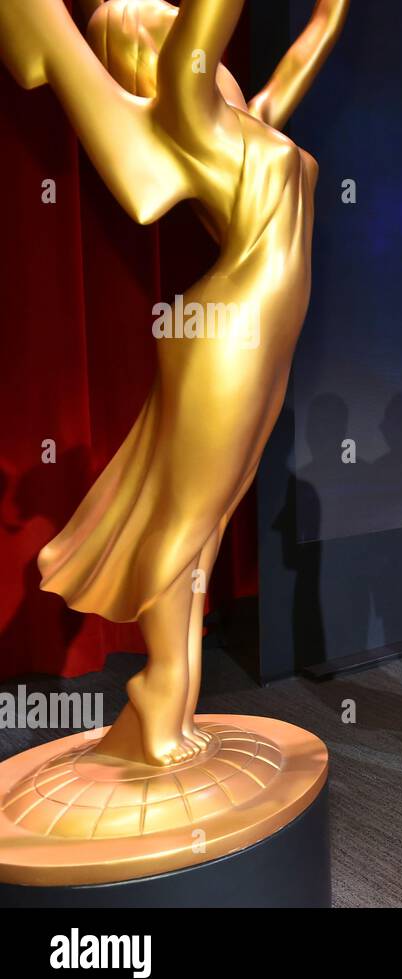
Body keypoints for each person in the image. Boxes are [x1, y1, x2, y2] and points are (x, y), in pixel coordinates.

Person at [0, 0, 349, 766]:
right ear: (155, 49)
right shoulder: (190, 113)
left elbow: (312, 42)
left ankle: (172, 699)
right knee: (185, 520)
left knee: (210, 521)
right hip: (224, 333)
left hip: (260, 334)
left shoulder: (246, 121)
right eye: (165, 19)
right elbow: (212, 21)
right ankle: (159, 692)